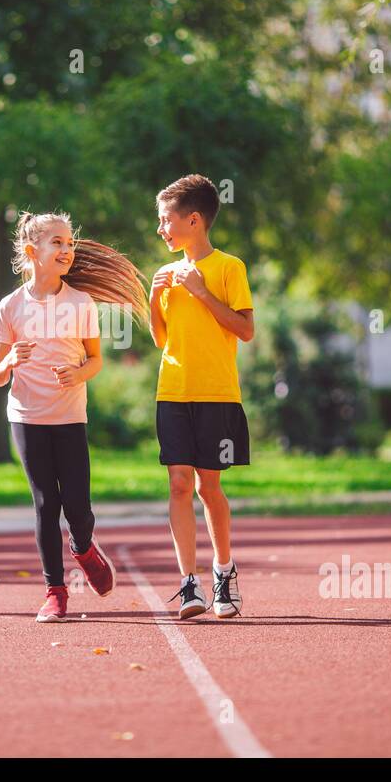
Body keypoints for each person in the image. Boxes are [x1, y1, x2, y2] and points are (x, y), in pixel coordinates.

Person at [0, 210, 149, 622]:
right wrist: (9, 359)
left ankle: (83, 548)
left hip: (70, 416)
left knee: (77, 505)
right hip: (27, 417)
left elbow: (96, 361)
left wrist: (78, 373)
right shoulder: (9, 307)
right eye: (56, 243)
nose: (66, 250)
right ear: (31, 251)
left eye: (69, 243)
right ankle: (55, 592)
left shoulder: (80, 303)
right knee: (46, 504)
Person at [151, 174, 255, 620]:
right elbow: (162, 339)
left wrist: (201, 291)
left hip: (216, 393)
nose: (160, 230)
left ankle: (223, 571)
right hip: (172, 391)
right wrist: (154, 303)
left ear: (194, 220)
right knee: (178, 482)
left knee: (208, 486)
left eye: (165, 221)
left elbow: (245, 330)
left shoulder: (229, 267)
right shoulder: (164, 272)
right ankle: (188, 583)